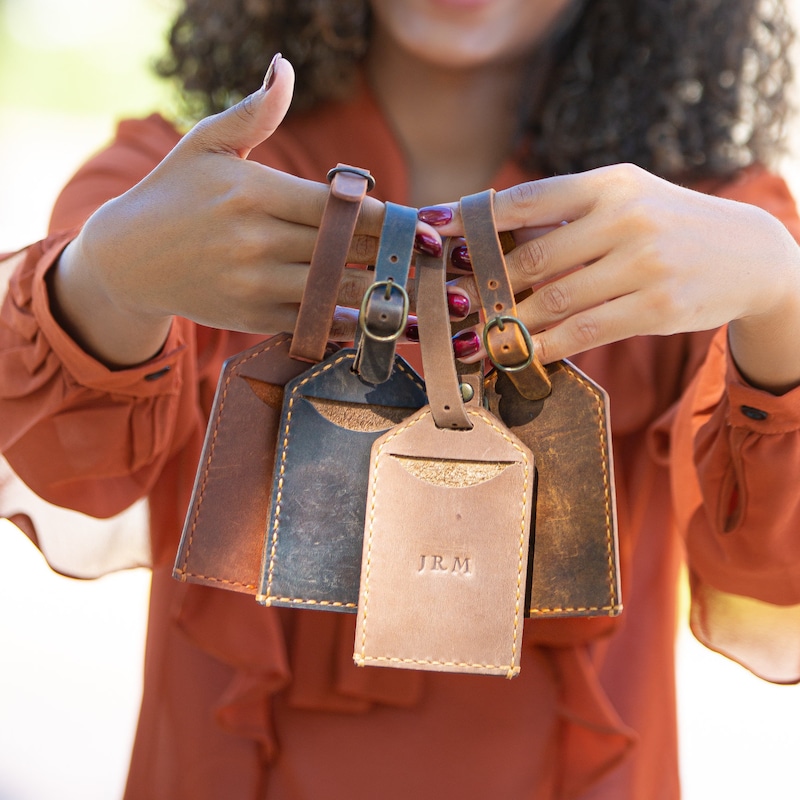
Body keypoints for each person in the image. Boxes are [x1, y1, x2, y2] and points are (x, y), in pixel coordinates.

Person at [2, 0, 800, 797]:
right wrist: (103, 278)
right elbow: (71, 466)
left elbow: (773, 563)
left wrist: (781, 294)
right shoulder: (175, 187)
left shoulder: (708, 228)